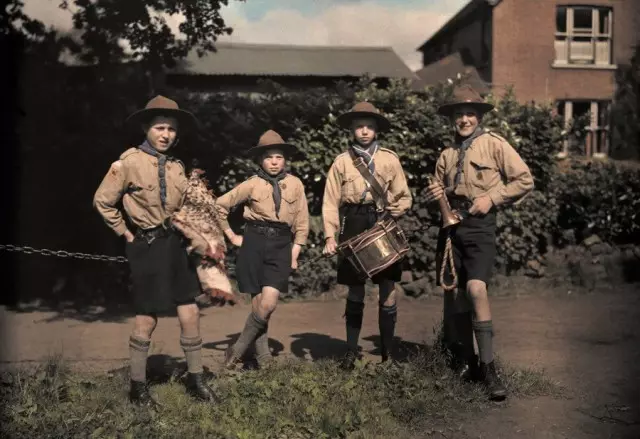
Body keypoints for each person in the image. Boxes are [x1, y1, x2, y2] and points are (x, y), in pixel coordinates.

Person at [93, 95, 217, 405]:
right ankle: (138, 387)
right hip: (146, 244)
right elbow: (103, 201)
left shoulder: (177, 166)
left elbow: (181, 208)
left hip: (175, 244)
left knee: (190, 311)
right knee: (147, 316)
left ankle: (195, 380)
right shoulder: (127, 163)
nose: (166, 135)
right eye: (160, 128)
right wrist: (125, 232)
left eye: (172, 130)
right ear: (146, 128)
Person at [425, 84, 534, 401]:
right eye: (459, 114)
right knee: (455, 295)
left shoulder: (494, 145)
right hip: (451, 229)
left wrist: (492, 198)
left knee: (476, 289)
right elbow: (442, 194)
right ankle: (465, 361)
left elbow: (523, 179)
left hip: (480, 226)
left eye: (470, 113)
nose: (464, 119)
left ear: (479, 117)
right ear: (452, 119)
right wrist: (437, 197)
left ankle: (489, 367)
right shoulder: (446, 155)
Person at [322, 102, 412, 369]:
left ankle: (388, 355)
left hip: (383, 222)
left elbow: (404, 195)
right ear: (351, 129)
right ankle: (350, 352)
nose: (364, 131)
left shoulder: (389, 159)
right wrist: (329, 236)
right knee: (355, 288)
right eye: (359, 126)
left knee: (387, 287)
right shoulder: (341, 162)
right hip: (353, 222)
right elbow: (329, 202)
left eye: (369, 127)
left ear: (376, 130)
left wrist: (398, 209)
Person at [217, 130, 309, 370]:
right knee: (258, 304)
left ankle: (236, 350)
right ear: (260, 160)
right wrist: (231, 236)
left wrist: (295, 251)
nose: (275, 161)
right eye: (269, 157)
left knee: (269, 303)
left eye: (279, 156)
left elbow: (302, 221)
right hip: (254, 242)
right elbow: (218, 206)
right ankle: (263, 358)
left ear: (285, 159)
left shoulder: (295, 184)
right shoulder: (251, 184)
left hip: (281, 244)